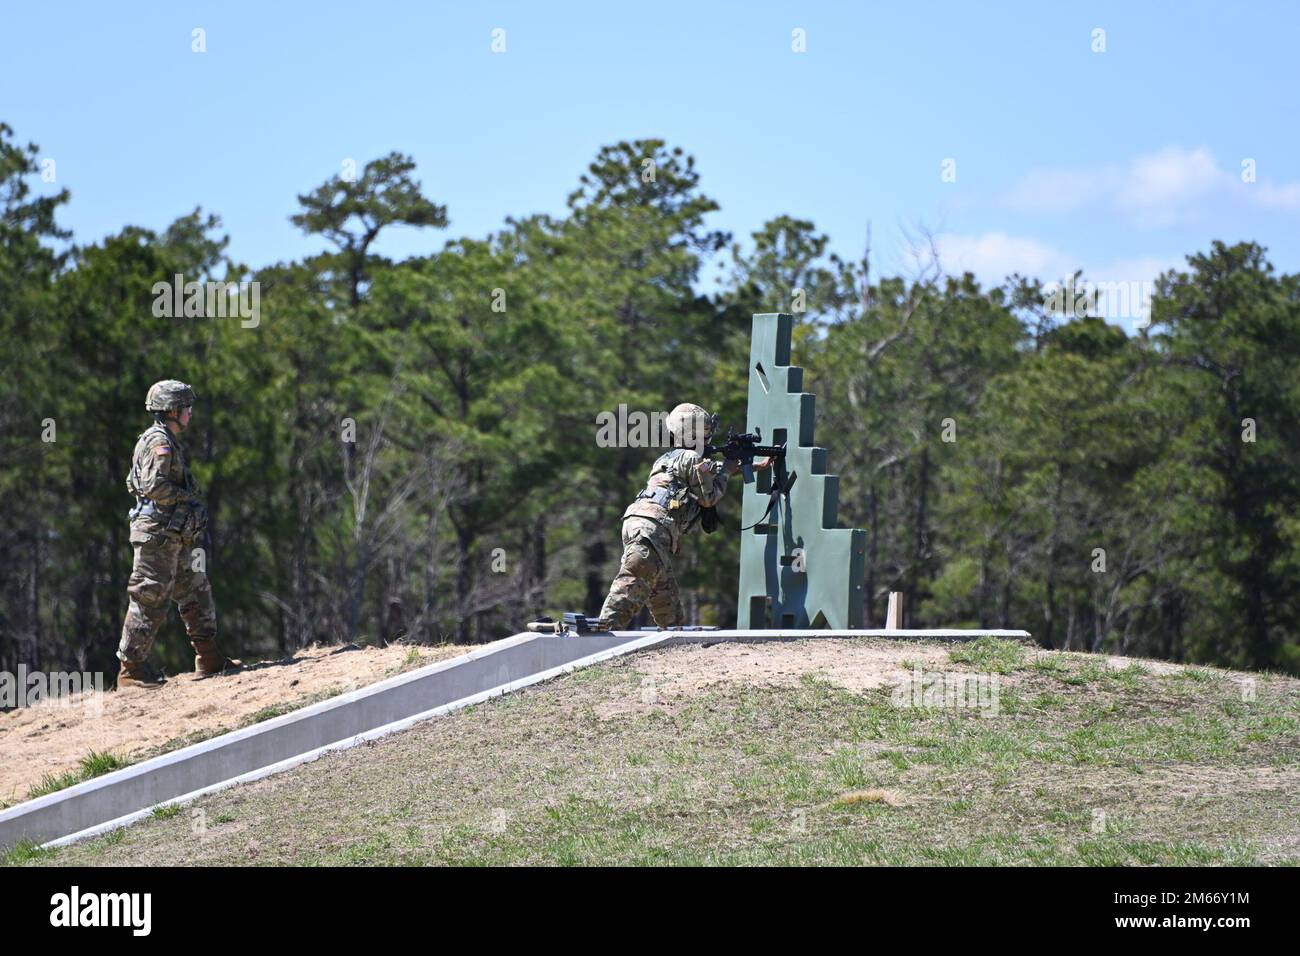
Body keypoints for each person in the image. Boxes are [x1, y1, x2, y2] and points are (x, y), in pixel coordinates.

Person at [598, 403, 767, 630]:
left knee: (667, 607)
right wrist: (727, 469)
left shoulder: (668, 459)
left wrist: (755, 465)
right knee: (630, 586)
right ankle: (601, 633)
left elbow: (712, 470)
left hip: (640, 525)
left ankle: (672, 637)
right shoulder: (691, 458)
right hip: (653, 530)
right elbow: (709, 497)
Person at [116, 380, 236, 688]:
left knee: (195, 588)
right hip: (157, 534)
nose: (190, 413)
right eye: (186, 408)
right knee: (149, 596)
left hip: (172, 533)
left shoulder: (162, 438)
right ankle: (131, 671)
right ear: (172, 410)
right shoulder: (160, 443)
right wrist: (186, 497)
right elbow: (153, 487)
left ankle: (208, 658)